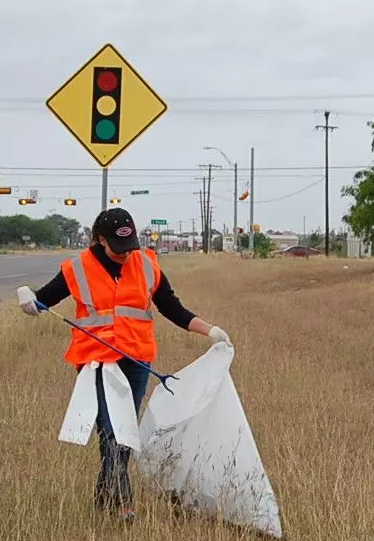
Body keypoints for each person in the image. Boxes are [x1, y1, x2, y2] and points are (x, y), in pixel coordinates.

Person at [17, 207, 230, 523]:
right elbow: (43, 300)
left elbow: (172, 308)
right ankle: (124, 504)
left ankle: (104, 499)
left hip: (137, 360)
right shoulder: (77, 269)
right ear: (99, 240)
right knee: (112, 431)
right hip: (97, 362)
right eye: (117, 249)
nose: (124, 256)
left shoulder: (145, 265)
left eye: (128, 248)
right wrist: (28, 300)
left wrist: (210, 331)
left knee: (123, 431)